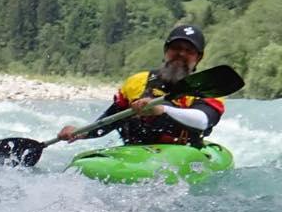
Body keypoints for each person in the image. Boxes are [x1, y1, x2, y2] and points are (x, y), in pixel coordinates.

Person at [58, 23, 224, 147]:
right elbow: (111, 119)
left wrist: (161, 110)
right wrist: (81, 133)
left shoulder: (207, 87)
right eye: (176, 48)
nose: (181, 54)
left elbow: (203, 121)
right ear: (166, 51)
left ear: (198, 58)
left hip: (182, 153)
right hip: (136, 151)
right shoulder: (137, 82)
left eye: (189, 51)